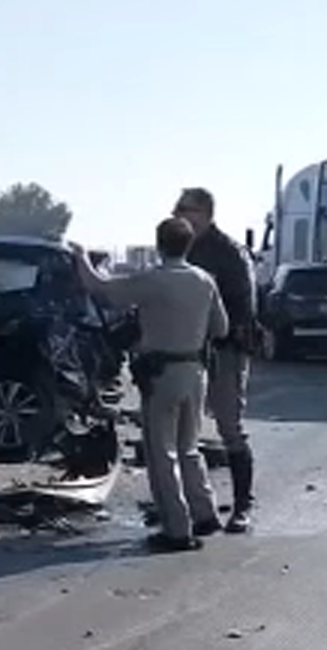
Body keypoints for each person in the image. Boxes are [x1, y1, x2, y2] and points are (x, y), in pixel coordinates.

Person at [71, 218, 228, 551]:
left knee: (161, 454)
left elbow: (100, 288)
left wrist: (81, 256)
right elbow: (221, 328)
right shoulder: (205, 281)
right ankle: (205, 513)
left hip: (162, 373)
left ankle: (177, 529)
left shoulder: (153, 280)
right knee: (189, 448)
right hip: (195, 371)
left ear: (159, 245)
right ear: (188, 245)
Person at [172, 187, 258, 533]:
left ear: (206, 214)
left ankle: (242, 506)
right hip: (187, 352)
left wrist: (222, 335)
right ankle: (187, 507)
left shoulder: (229, 253)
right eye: (178, 210)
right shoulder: (182, 249)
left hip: (224, 351)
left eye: (186, 210)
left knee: (229, 428)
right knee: (182, 432)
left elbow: (244, 310)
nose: (179, 215)